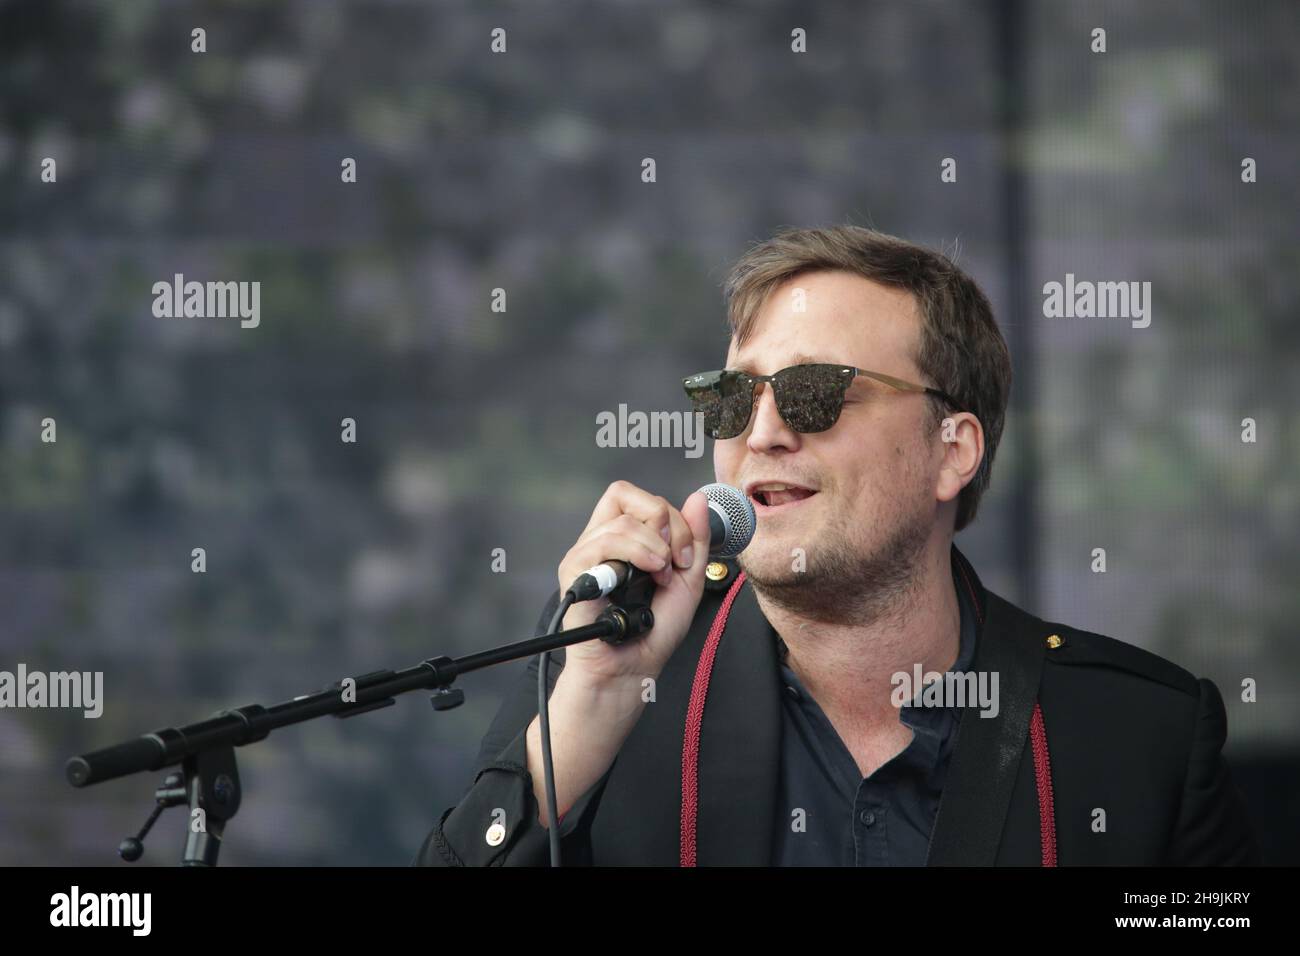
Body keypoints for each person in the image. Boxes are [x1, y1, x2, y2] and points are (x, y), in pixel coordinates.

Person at [414, 225, 1260, 866]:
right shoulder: (604, 669)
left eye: (817, 393)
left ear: (951, 451)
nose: (765, 431)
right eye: (735, 397)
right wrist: (588, 715)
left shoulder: (1138, 735)